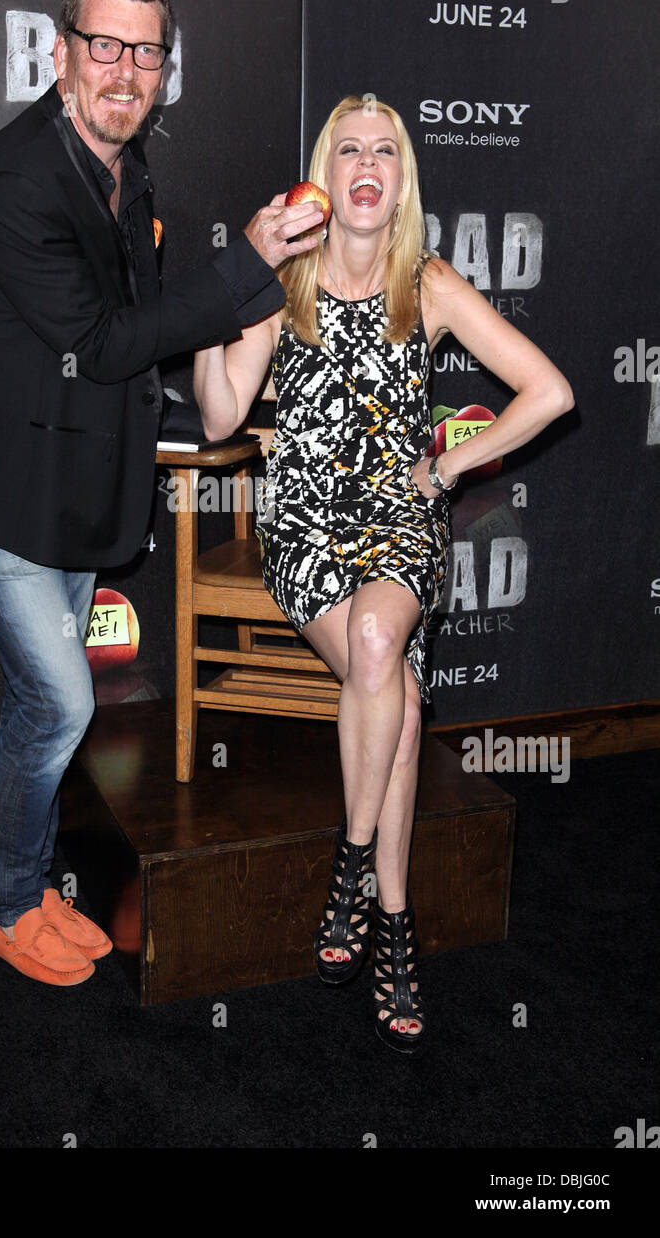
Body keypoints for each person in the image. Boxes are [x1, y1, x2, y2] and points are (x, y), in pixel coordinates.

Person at [0, 0, 322, 987]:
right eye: (105, 45)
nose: (126, 70)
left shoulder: (123, 165)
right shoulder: (13, 182)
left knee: (35, 703)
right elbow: (100, 341)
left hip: (72, 482)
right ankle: (2, 905)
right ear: (60, 53)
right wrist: (251, 265)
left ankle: (30, 874)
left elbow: (130, 336)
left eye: (146, 52)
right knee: (57, 704)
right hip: (6, 490)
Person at [193, 94, 574, 1051]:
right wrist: (225, 288)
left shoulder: (429, 284)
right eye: (348, 149)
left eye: (386, 153)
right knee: (396, 699)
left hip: (400, 518)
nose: (368, 164)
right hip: (306, 527)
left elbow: (551, 391)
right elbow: (216, 416)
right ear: (324, 176)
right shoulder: (283, 282)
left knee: (377, 647)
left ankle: (351, 864)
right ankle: (393, 923)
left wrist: (445, 467)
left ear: (403, 181)